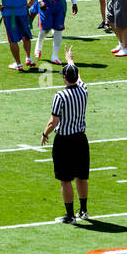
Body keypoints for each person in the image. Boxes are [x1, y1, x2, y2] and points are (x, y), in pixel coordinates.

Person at [40, 48, 90, 224]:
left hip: (64, 141)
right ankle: (83, 210)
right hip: (81, 139)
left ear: (64, 78)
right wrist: (70, 61)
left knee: (65, 179)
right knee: (81, 177)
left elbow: (53, 122)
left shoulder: (60, 96)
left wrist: (44, 133)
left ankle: (70, 216)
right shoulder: (83, 90)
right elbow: (79, 78)